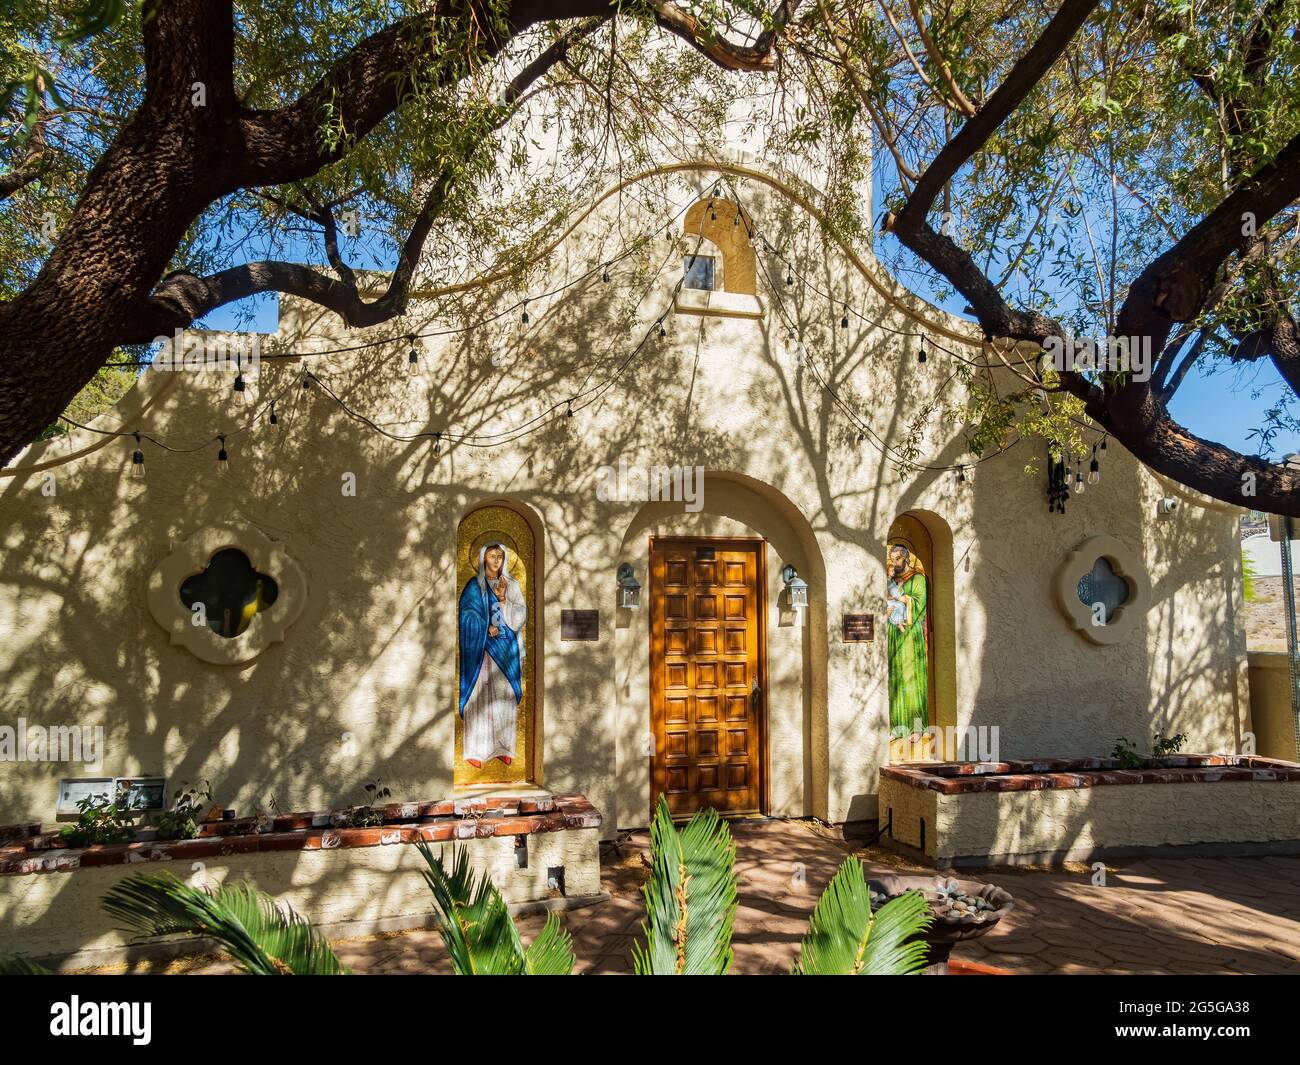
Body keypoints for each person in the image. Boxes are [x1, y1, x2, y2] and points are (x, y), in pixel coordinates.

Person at [458, 543, 526, 767]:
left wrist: (504, 599)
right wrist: (484, 626)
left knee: (503, 696)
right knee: (481, 697)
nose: (496, 560)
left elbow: (520, 617)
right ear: (483, 558)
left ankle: (503, 747)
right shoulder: (474, 586)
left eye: (500, 556)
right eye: (491, 556)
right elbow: (466, 615)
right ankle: (476, 751)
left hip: (506, 649)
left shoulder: (512, 585)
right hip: (481, 650)